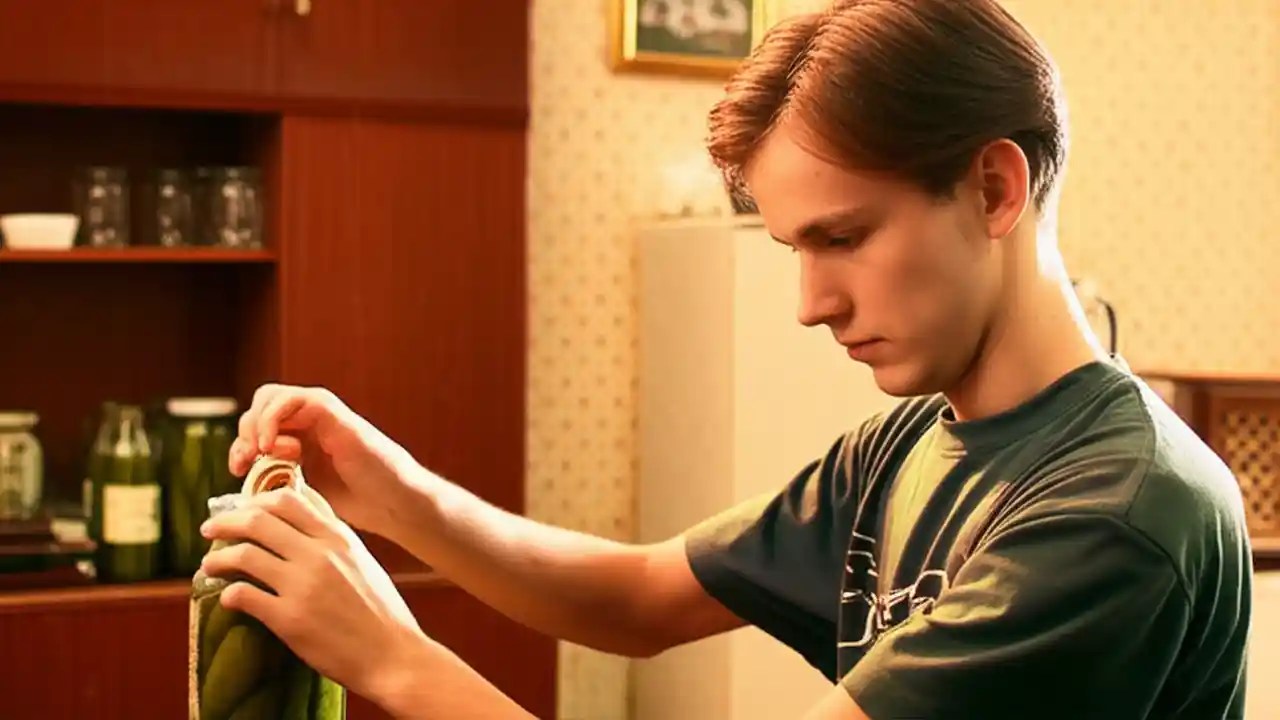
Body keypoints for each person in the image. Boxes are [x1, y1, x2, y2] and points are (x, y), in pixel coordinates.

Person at [199, 0, 1253, 718]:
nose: (810, 304)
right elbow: (641, 595)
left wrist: (392, 656)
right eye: (793, 250)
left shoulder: (1113, 515)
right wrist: (396, 494)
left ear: (991, 189)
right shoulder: (909, 441)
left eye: (841, 238)